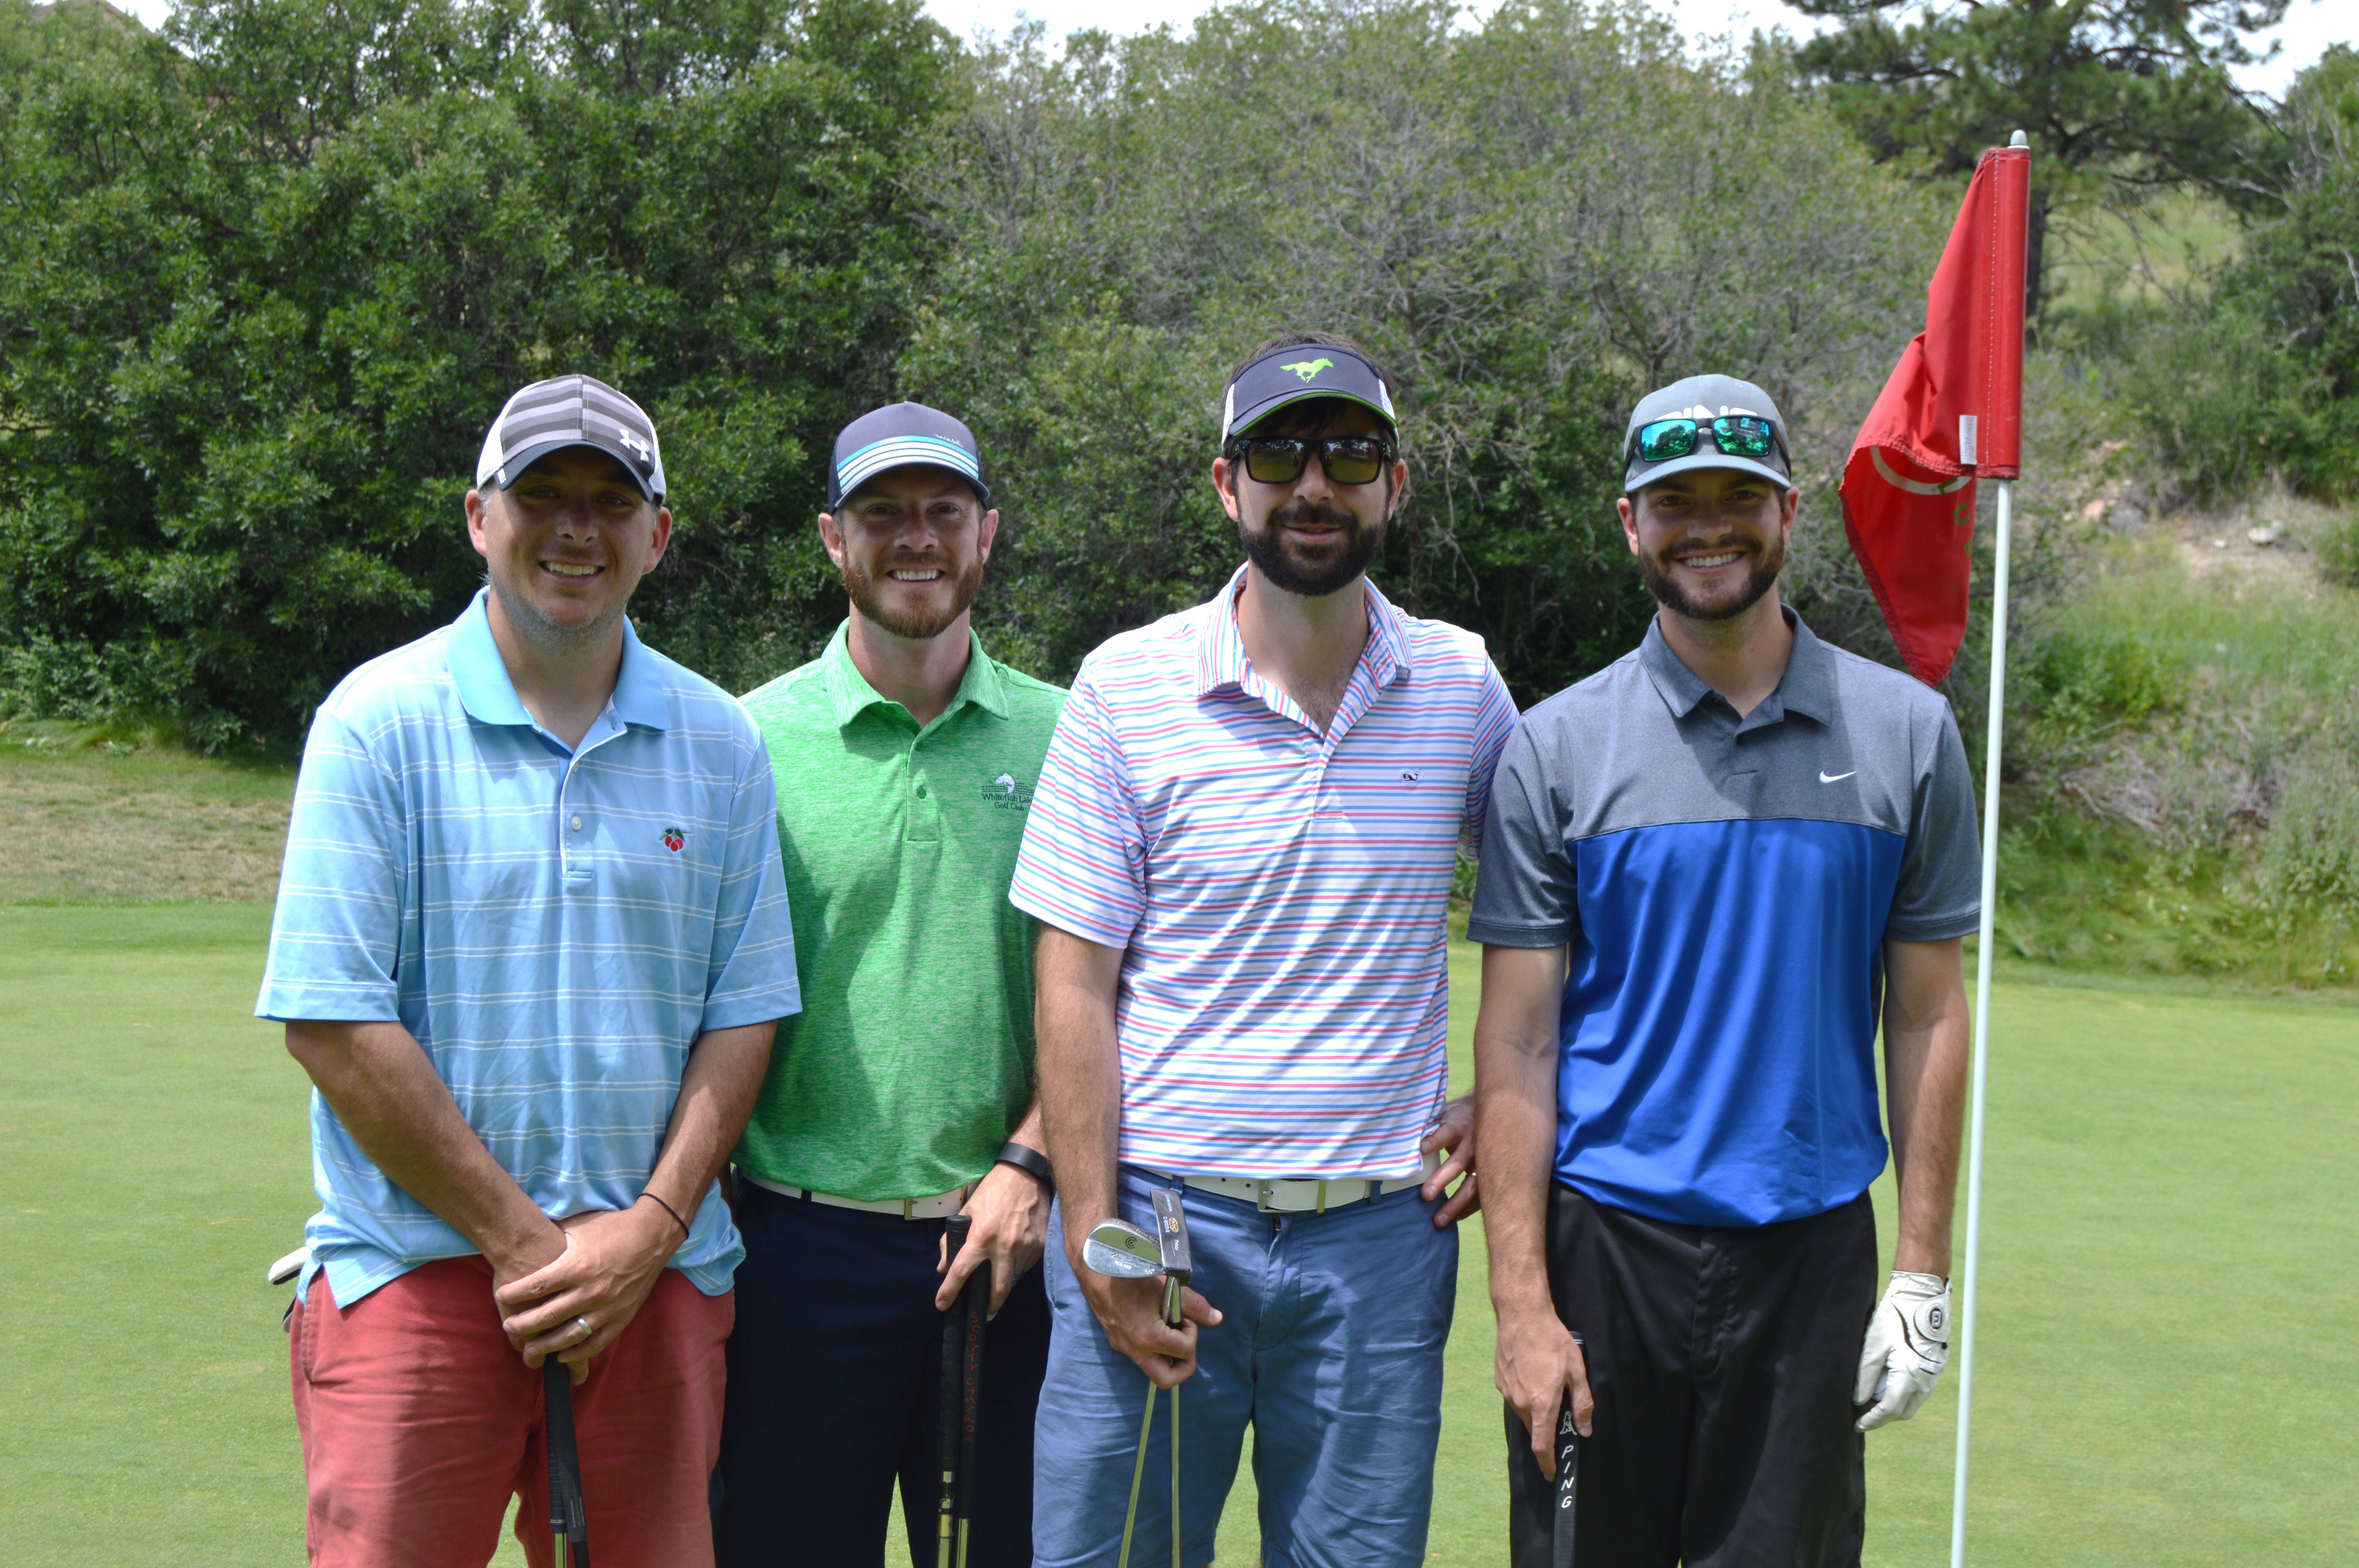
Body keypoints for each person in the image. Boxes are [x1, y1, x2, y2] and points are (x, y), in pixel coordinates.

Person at [255, 374, 801, 1568]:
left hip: (655, 1283)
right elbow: (332, 1020)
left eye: (612, 501)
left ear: (657, 536)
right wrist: (530, 1248)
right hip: (419, 1273)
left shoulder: (722, 741)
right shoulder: (375, 721)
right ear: (478, 517)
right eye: (542, 494)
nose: (576, 528)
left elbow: (745, 1012)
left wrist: (648, 1232)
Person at [1012, 332, 1519, 1568]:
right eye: (1280, 455)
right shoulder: (1125, 687)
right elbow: (1072, 986)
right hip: (1161, 1222)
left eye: (1350, 454)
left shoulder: (1462, 685)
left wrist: (1499, 1100)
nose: (1315, 485)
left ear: (1396, 484)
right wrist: (1092, 1236)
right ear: (1226, 483)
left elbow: (1549, 921)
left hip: (1377, 1249)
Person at [1471, 373, 1982, 1568]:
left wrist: (1922, 1272)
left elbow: (1926, 1013)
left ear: (1790, 511)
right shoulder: (1557, 746)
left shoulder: (1907, 735)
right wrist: (1522, 1305)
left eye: (1739, 498)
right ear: (1630, 524)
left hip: (1809, 1260)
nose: (1710, 527)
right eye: (1676, 502)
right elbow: (1519, 1042)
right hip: (1605, 1250)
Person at [714, 403, 1066, 1566]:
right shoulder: (747, 741)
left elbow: (1119, 997)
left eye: (943, 511)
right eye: (881, 513)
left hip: (1013, 1245)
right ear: (834, 538)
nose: (916, 537)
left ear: (986, 532)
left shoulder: (1073, 737)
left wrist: (1033, 1162)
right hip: (796, 1256)